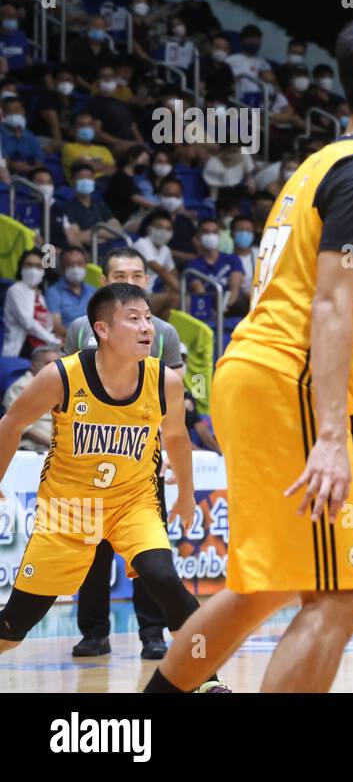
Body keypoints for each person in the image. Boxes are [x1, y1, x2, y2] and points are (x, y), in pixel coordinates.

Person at [151, 15, 353, 694]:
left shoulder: (317, 166)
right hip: (288, 383)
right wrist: (331, 436)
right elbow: (330, 304)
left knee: (262, 584)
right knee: (340, 595)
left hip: (250, 372)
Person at [0, 283, 225, 691]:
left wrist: (188, 495)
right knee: (14, 627)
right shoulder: (62, 376)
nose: (147, 327)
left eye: (148, 318)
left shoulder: (165, 382)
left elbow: (176, 438)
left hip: (132, 503)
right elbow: (10, 425)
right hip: (69, 510)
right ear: (102, 329)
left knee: (162, 577)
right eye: (133, 318)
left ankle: (207, 680)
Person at [61, 246, 185, 658]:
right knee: (90, 553)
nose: (128, 283)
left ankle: (153, 634)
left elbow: (175, 400)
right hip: (88, 465)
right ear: (103, 280)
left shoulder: (163, 332)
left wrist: (167, 452)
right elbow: (65, 388)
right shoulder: (81, 328)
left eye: (136, 276)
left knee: (149, 557)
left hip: (141, 467)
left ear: (147, 282)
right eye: (120, 276)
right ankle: (93, 632)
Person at [185, 218, 246, 327]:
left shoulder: (232, 259)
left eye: (214, 232)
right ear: (198, 237)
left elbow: (235, 288)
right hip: (208, 307)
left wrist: (225, 307)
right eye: (206, 232)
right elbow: (200, 291)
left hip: (232, 305)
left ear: (219, 235)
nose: (211, 236)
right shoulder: (193, 264)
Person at [3, 249, 60, 357]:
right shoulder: (15, 290)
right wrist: (54, 340)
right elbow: (28, 323)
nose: (33, 270)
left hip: (41, 345)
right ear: (21, 268)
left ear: (43, 271)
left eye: (38, 266)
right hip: (21, 349)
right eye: (29, 265)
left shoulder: (39, 296)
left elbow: (46, 326)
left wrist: (55, 338)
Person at [3, 344, 60, 451]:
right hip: (33, 448)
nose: (55, 368)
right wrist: (53, 444)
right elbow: (19, 427)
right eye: (48, 363)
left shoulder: (62, 387)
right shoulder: (21, 388)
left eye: (57, 364)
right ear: (33, 366)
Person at [43, 246, 94, 330]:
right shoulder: (53, 293)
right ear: (62, 268)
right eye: (69, 264)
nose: (75, 268)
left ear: (85, 266)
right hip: (69, 340)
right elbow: (57, 327)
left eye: (79, 263)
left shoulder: (93, 291)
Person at [1, 94, 45, 177]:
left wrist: (33, 169)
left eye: (17, 110)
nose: (13, 113)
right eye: (9, 111)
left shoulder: (30, 135)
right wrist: (12, 165)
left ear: (23, 111)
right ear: (3, 114)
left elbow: (39, 160)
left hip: (31, 176)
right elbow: (4, 161)